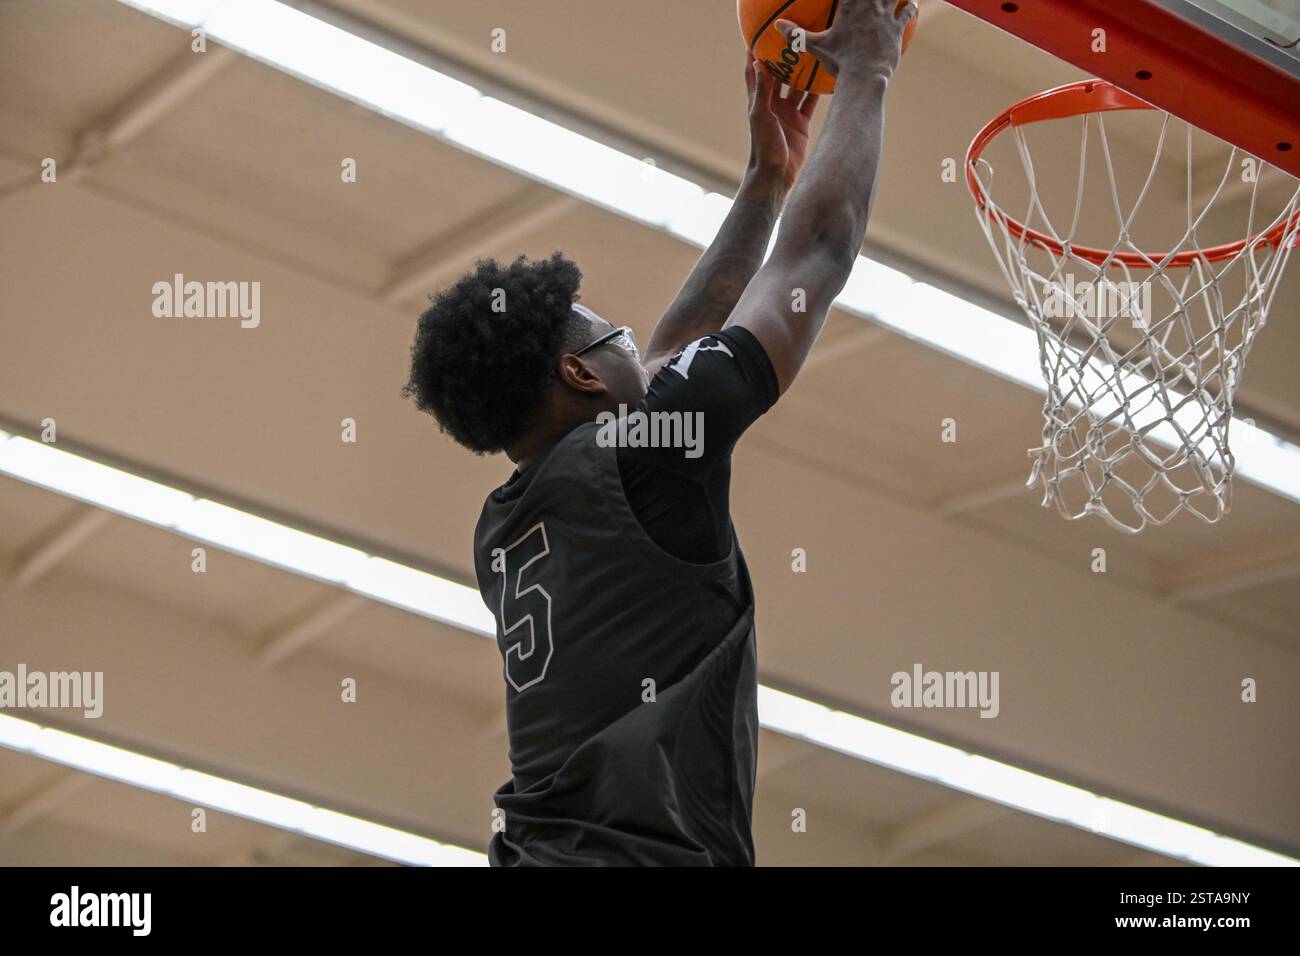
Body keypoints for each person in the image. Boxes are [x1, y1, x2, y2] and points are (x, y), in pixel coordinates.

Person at [403, 0, 916, 865]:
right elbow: (816, 258)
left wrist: (767, 182)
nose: (638, 345)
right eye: (612, 339)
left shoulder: (509, 524)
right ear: (578, 373)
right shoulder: (637, 464)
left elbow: (677, 357)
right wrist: (867, 70)